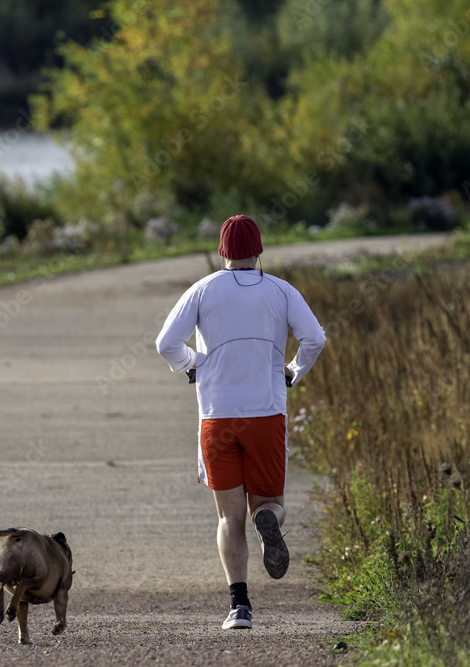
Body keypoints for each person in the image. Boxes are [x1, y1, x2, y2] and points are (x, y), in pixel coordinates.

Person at [156, 214, 326, 630]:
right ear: (260, 249)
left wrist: (193, 363)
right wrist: (293, 371)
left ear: (222, 251)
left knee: (227, 518)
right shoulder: (282, 291)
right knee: (270, 506)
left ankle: (240, 607)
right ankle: (268, 521)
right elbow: (315, 338)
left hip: (218, 417)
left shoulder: (202, 290)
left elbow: (165, 344)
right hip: (266, 414)